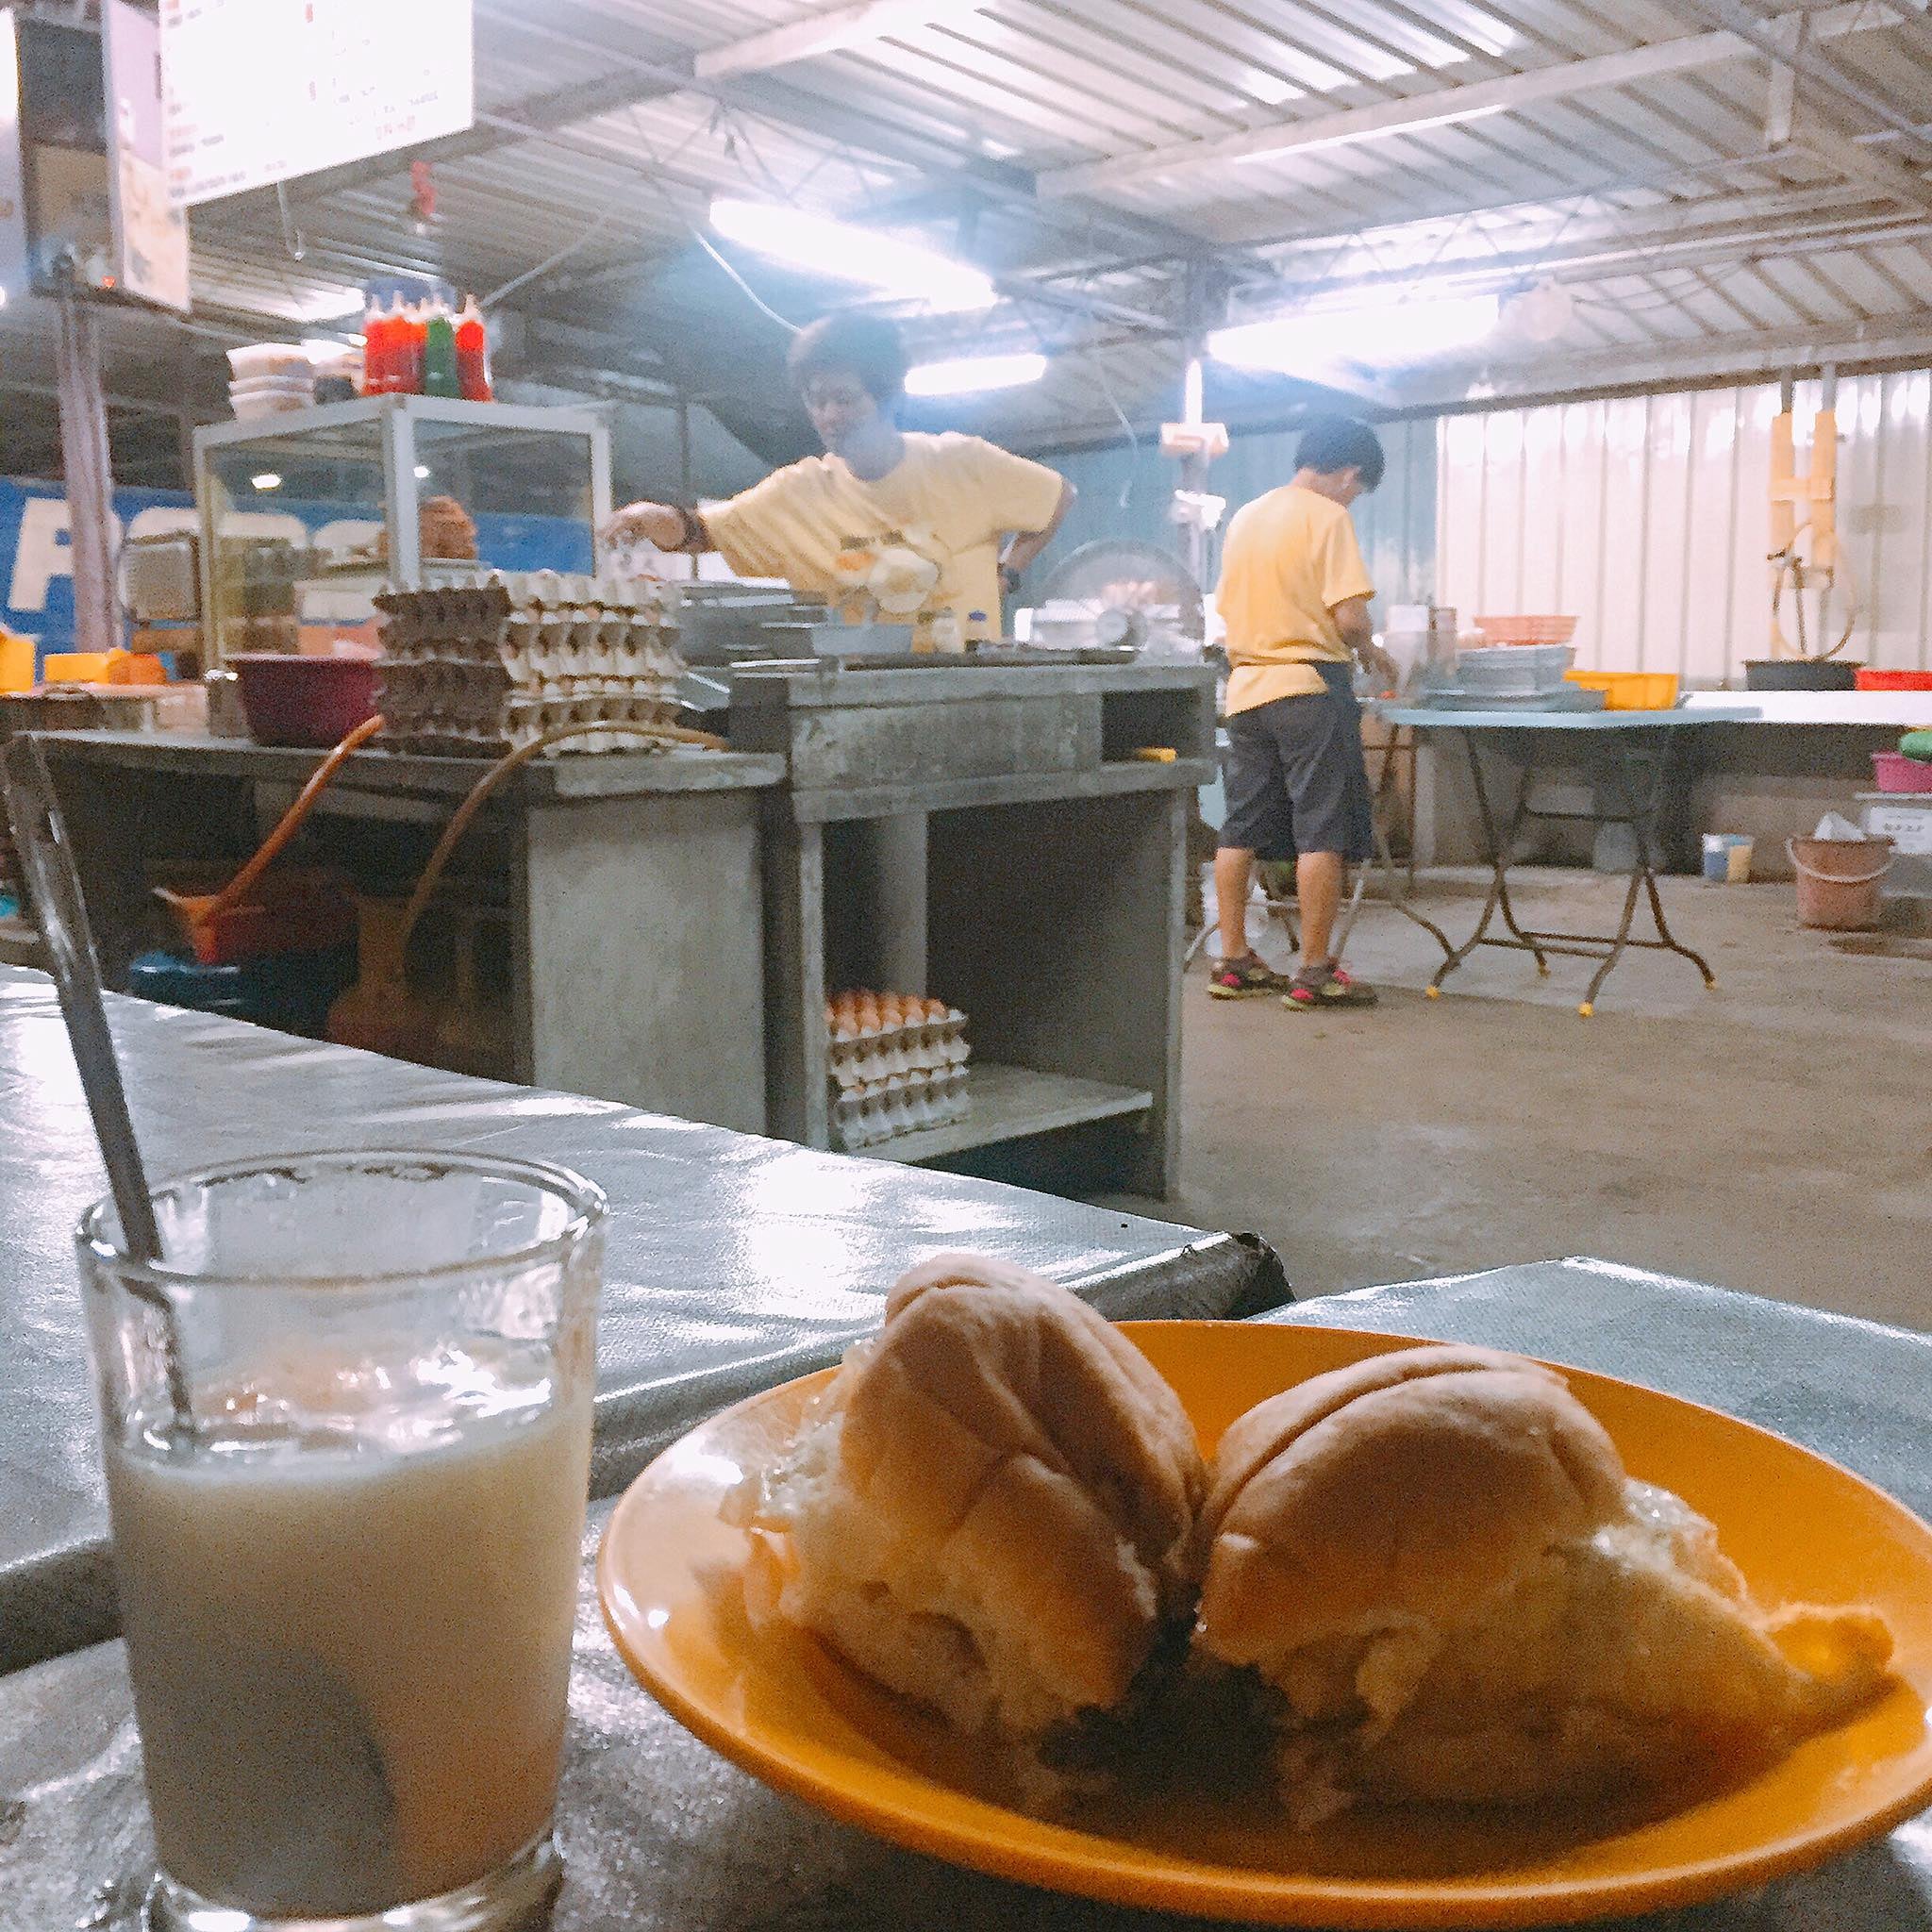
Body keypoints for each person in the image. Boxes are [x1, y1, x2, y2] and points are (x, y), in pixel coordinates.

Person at [600, 312, 1074, 646]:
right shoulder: (798, 494)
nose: (828, 415)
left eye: (845, 399)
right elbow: (701, 531)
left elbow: (1057, 497)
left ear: (888, 399)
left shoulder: (963, 464)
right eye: (816, 400)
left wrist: (1007, 574)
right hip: (859, 693)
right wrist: (652, 517)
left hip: (966, 689)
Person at [1208, 415, 1396, 1012]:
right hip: (1309, 687)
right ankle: (1314, 972)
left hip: (1245, 689)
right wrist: (1372, 652)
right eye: (1357, 489)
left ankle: (1233, 960)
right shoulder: (1328, 516)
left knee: (1240, 826)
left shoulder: (1247, 516)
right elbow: (1349, 618)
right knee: (1324, 828)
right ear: (1348, 473)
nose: (1352, 499)